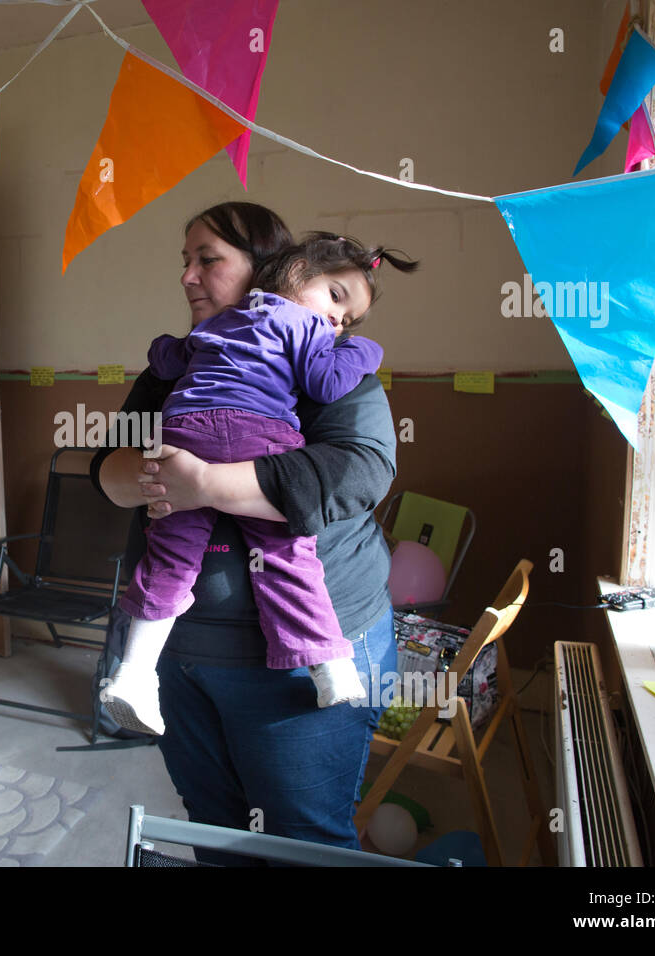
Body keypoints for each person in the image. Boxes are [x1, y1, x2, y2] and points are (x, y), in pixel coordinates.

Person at [90, 201, 410, 858]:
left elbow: (353, 475)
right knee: (213, 824)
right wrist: (152, 474)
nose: (188, 277)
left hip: (296, 666)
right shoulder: (176, 367)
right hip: (180, 657)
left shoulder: (327, 355)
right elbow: (106, 467)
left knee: (303, 838)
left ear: (270, 269)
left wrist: (203, 483)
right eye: (185, 261)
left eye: (207, 259)